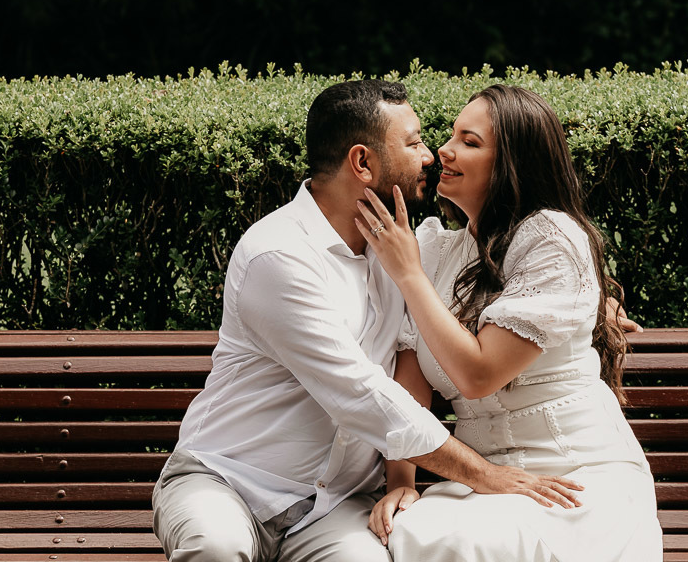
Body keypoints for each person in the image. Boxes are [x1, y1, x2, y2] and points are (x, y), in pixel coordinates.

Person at [151, 80, 584, 562]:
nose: (431, 155)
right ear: (362, 163)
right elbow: (361, 396)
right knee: (217, 548)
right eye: (415, 141)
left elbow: (509, 277)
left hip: (331, 504)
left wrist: (592, 302)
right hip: (230, 480)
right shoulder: (278, 256)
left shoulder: (400, 249)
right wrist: (483, 474)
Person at [357, 84, 663, 561]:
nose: (445, 150)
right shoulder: (436, 250)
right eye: (452, 135)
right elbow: (410, 377)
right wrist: (402, 481)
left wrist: (408, 275)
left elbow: (479, 375)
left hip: (577, 473)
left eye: (470, 141)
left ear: (511, 164)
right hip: (485, 479)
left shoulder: (552, 239)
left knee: (480, 545)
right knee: (404, 535)